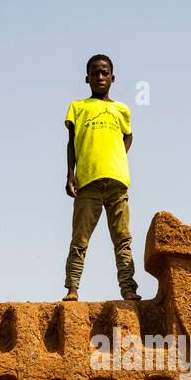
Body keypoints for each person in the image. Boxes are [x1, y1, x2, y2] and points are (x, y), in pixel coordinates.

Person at [63, 54, 140, 302]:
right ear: (87, 78)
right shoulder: (78, 107)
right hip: (88, 183)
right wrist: (70, 174)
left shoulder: (121, 110)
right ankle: (72, 288)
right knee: (80, 238)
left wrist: (117, 156)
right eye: (95, 73)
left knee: (122, 239)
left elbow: (128, 136)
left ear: (113, 78)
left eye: (104, 72)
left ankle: (128, 289)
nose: (100, 77)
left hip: (117, 183)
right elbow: (71, 143)